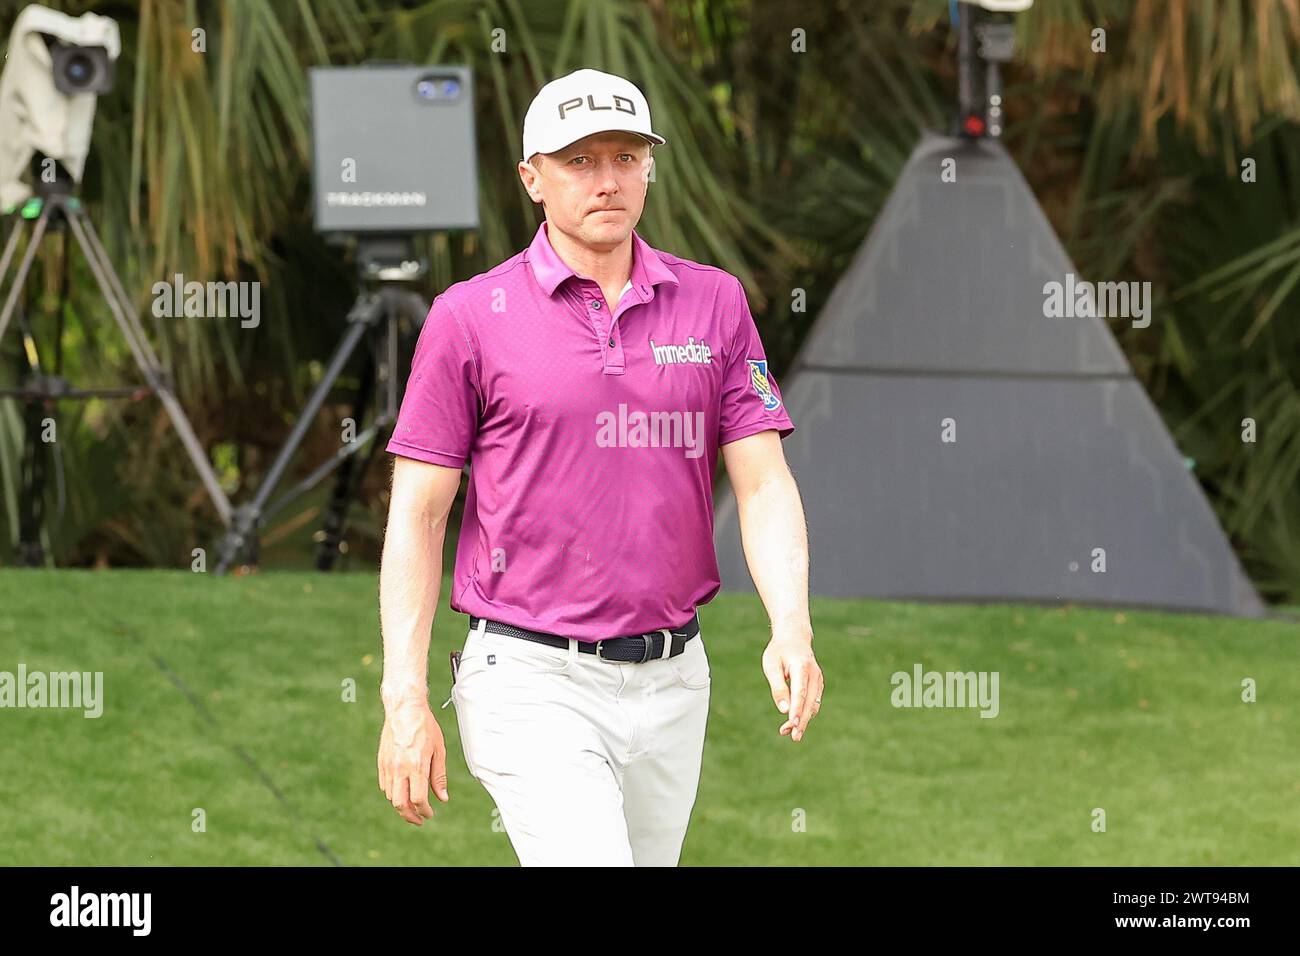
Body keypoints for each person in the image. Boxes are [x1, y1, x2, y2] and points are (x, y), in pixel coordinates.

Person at [376, 67, 823, 866]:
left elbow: (763, 482)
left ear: (648, 167)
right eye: (580, 160)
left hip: (674, 679)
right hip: (528, 675)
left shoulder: (714, 303)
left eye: (625, 157)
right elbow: (419, 513)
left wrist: (791, 624)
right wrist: (404, 693)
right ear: (532, 178)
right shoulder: (470, 318)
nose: (607, 179)